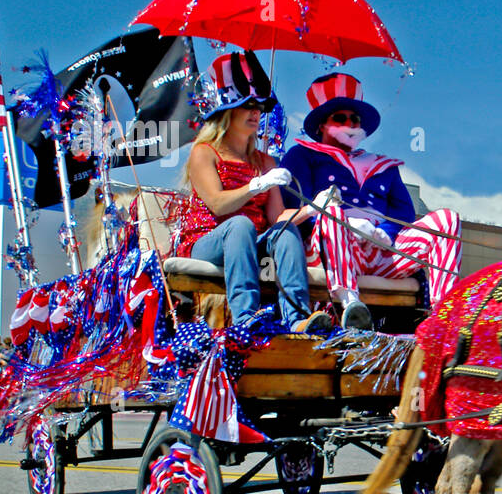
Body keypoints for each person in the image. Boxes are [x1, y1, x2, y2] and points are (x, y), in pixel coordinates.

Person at [280, 72, 462, 329]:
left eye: (355, 119)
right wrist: (348, 226)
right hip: (329, 250)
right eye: (340, 118)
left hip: (382, 252)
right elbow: (295, 208)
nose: (351, 124)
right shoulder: (303, 155)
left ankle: (443, 318)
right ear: (322, 125)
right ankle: (350, 304)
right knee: (333, 212)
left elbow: (404, 214)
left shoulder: (383, 165)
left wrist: (382, 234)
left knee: (447, 220)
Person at [175, 51, 332, 334]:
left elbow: (275, 218)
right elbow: (218, 205)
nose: (256, 112)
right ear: (226, 112)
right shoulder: (203, 153)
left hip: (252, 243)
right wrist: (256, 185)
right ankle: (246, 316)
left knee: (285, 232)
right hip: (208, 243)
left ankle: (297, 317)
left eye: (260, 106)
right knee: (240, 224)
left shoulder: (266, 162)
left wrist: (312, 209)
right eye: (248, 105)